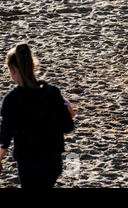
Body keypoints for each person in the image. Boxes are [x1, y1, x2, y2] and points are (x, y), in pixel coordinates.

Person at [0, 43, 74, 189]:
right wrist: (67, 110)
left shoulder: (12, 99)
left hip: (28, 162)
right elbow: (68, 127)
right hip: (52, 161)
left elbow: (5, 136)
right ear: (33, 65)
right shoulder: (53, 93)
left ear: (12, 70)